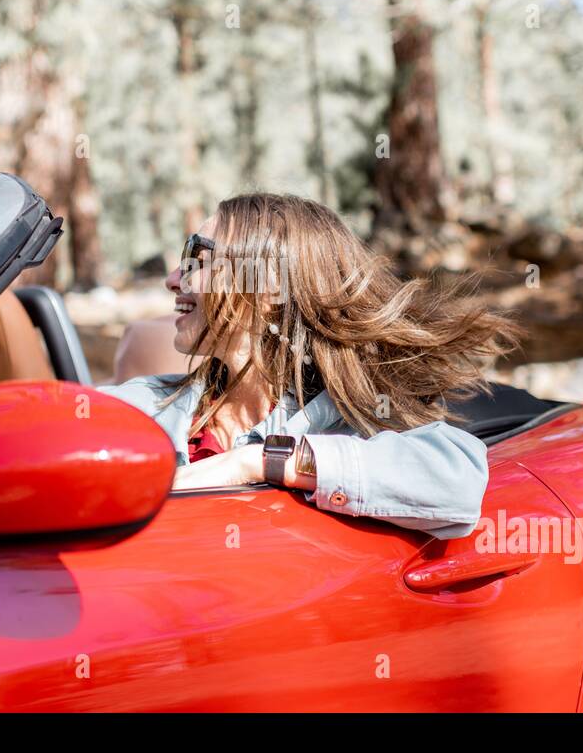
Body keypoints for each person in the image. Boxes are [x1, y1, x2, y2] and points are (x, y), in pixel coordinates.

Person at [100, 193, 521, 540]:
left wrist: (258, 461)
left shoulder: (351, 423)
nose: (174, 278)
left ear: (269, 286)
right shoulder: (151, 405)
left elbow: (458, 480)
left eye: (196, 256)